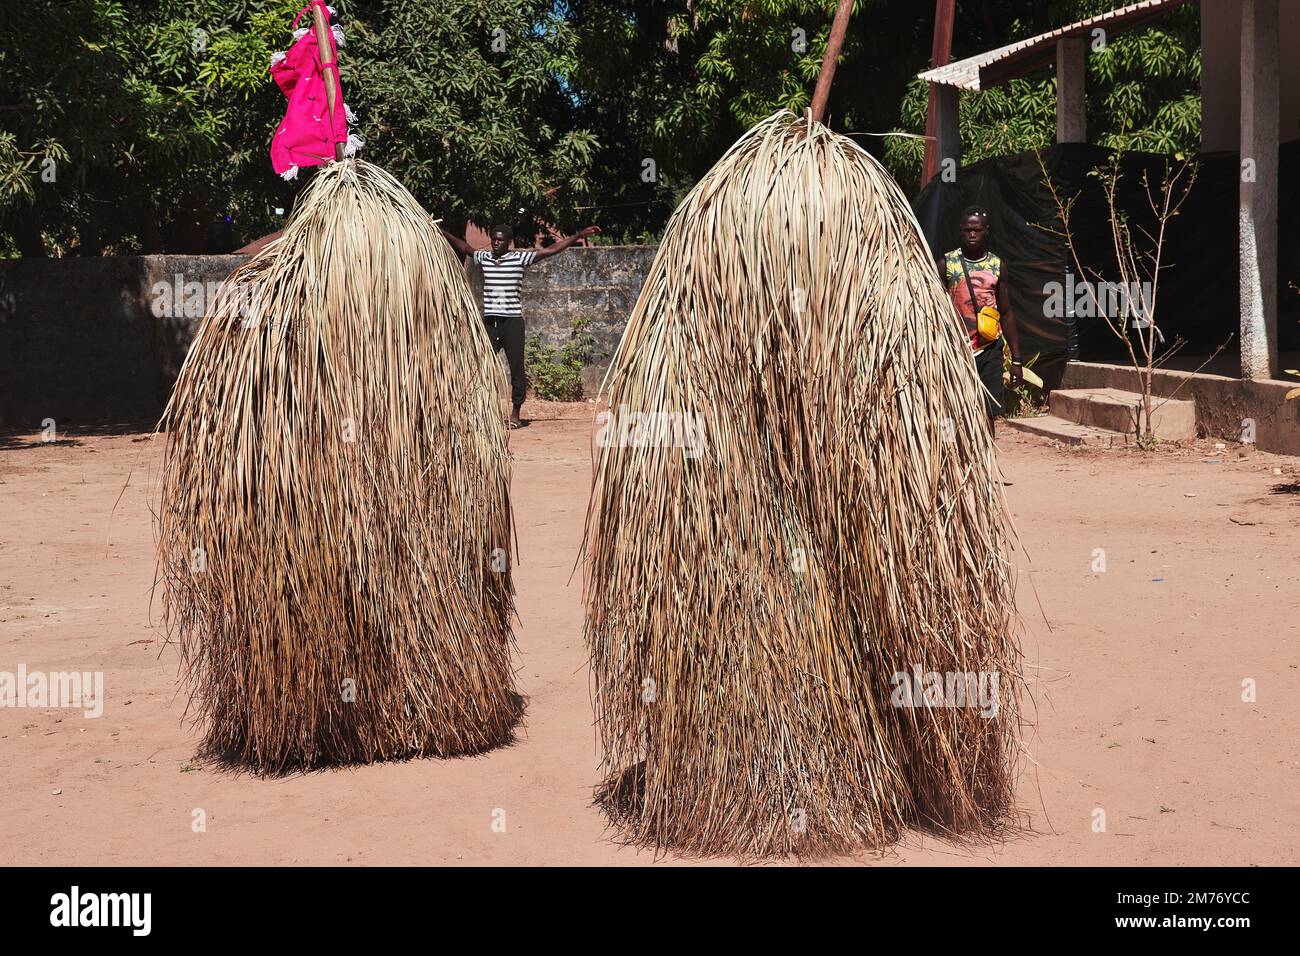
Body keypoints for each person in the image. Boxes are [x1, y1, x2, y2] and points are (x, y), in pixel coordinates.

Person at [443, 222, 600, 428]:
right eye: (494, 238)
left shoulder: (519, 258)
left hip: (513, 323)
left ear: (508, 242)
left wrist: (578, 234)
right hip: (490, 322)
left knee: (516, 368)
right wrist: (441, 230)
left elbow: (551, 250)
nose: (496, 242)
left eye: (500, 239)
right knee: (479, 365)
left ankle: (515, 413)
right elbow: (464, 247)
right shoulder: (485, 257)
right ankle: (479, 410)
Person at [940, 206, 1023, 431]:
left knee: (989, 409)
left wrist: (1016, 360)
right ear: (961, 230)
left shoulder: (997, 266)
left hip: (989, 348)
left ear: (986, 231)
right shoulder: (947, 264)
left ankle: (986, 455)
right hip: (956, 348)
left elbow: (1006, 312)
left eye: (977, 230)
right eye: (967, 230)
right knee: (952, 405)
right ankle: (951, 453)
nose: (972, 235)